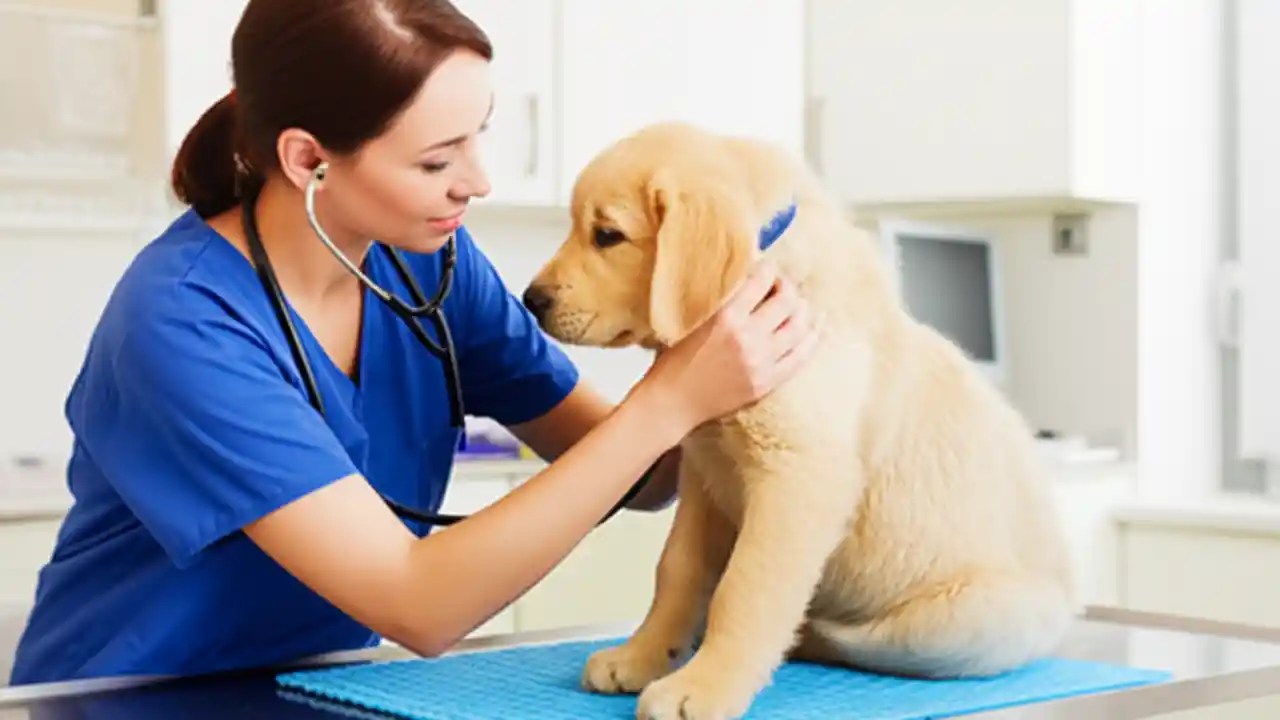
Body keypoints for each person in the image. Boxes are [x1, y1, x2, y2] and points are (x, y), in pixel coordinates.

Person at [8, 0, 818, 686]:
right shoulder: (182, 323)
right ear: (308, 160)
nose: (478, 179)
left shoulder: (429, 262)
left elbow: (640, 477)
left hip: (330, 686)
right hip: (129, 696)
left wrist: (726, 339)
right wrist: (673, 396)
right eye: (438, 159)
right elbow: (420, 605)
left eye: (479, 136)